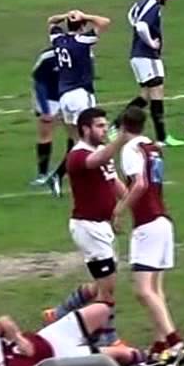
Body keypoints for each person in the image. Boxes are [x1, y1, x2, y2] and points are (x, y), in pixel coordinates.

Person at [42, 108, 128, 347]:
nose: (104, 130)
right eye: (100, 126)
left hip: (103, 227)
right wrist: (121, 137)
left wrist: (131, 204)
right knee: (108, 288)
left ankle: (59, 314)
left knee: (102, 285)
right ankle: (108, 338)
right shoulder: (77, 155)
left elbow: (114, 182)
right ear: (85, 129)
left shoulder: (102, 151)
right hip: (89, 228)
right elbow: (97, 161)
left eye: (105, 125)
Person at [114, 107, 184, 366]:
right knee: (156, 290)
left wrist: (119, 209)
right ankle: (159, 350)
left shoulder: (129, 150)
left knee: (143, 291)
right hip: (163, 221)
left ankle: (174, 341)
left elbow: (140, 184)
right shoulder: (152, 146)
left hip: (147, 225)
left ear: (122, 127)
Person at [0, 303, 144, 366]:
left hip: (49, 336)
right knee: (122, 355)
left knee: (102, 310)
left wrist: (17, 337)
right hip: (62, 356)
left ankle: (102, 339)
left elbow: (2, 321)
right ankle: (144, 358)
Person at [44, 10, 111, 197]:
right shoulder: (83, 41)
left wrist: (65, 15)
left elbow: (50, 20)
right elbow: (105, 22)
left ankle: (58, 176)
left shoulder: (58, 39)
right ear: (82, 26)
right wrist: (85, 15)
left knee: (75, 141)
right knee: (91, 139)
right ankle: (90, 178)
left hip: (64, 97)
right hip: (81, 94)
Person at [117, 0, 184, 147]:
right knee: (157, 92)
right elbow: (141, 26)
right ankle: (161, 138)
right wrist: (150, 42)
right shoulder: (153, 5)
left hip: (140, 55)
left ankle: (117, 125)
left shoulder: (143, 1)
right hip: (146, 55)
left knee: (146, 95)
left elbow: (131, 15)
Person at [30, 46, 60, 186]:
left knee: (77, 136)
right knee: (45, 134)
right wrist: (46, 110)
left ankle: (65, 172)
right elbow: (39, 82)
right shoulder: (48, 57)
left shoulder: (83, 51)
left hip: (71, 96)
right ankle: (43, 174)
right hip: (50, 99)